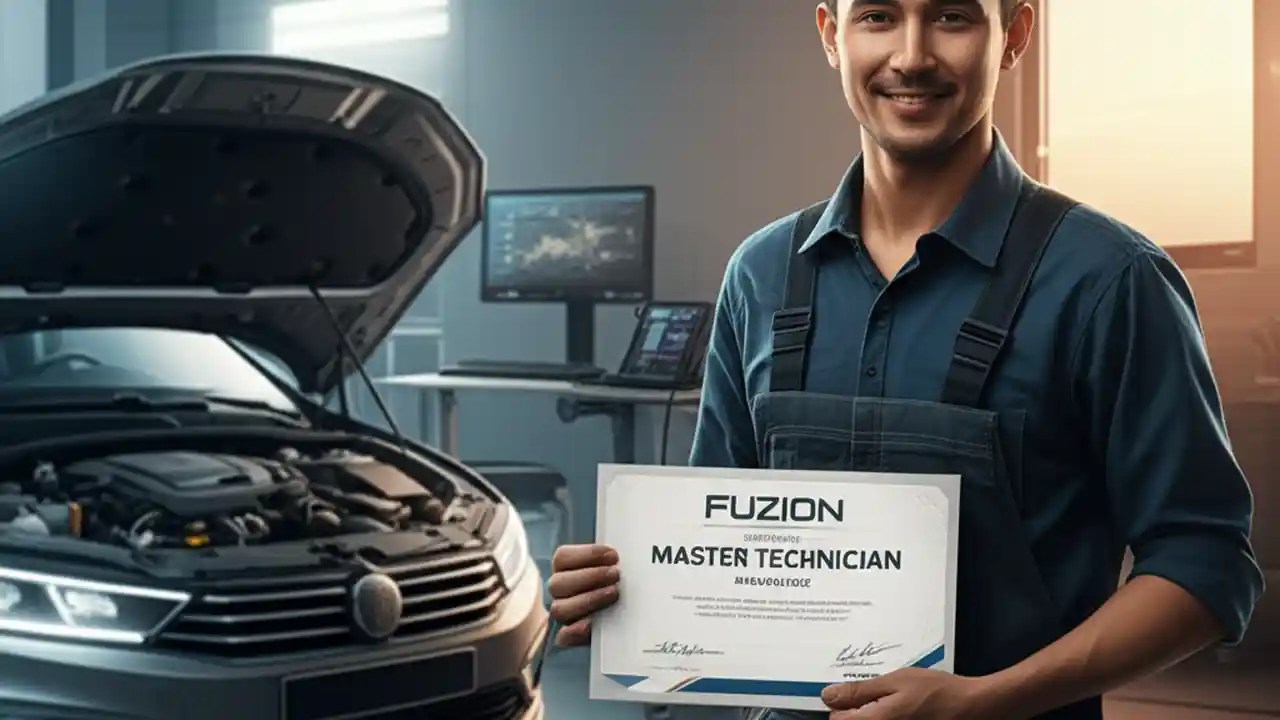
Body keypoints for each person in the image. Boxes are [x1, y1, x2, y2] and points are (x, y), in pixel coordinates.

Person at [546, 0, 1265, 718]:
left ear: (1013, 34)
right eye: (879, 16)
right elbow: (722, 539)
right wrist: (630, 590)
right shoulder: (760, 274)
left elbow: (1204, 569)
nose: (912, 55)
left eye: (952, 16)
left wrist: (984, 701)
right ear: (833, 34)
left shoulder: (1110, 279)